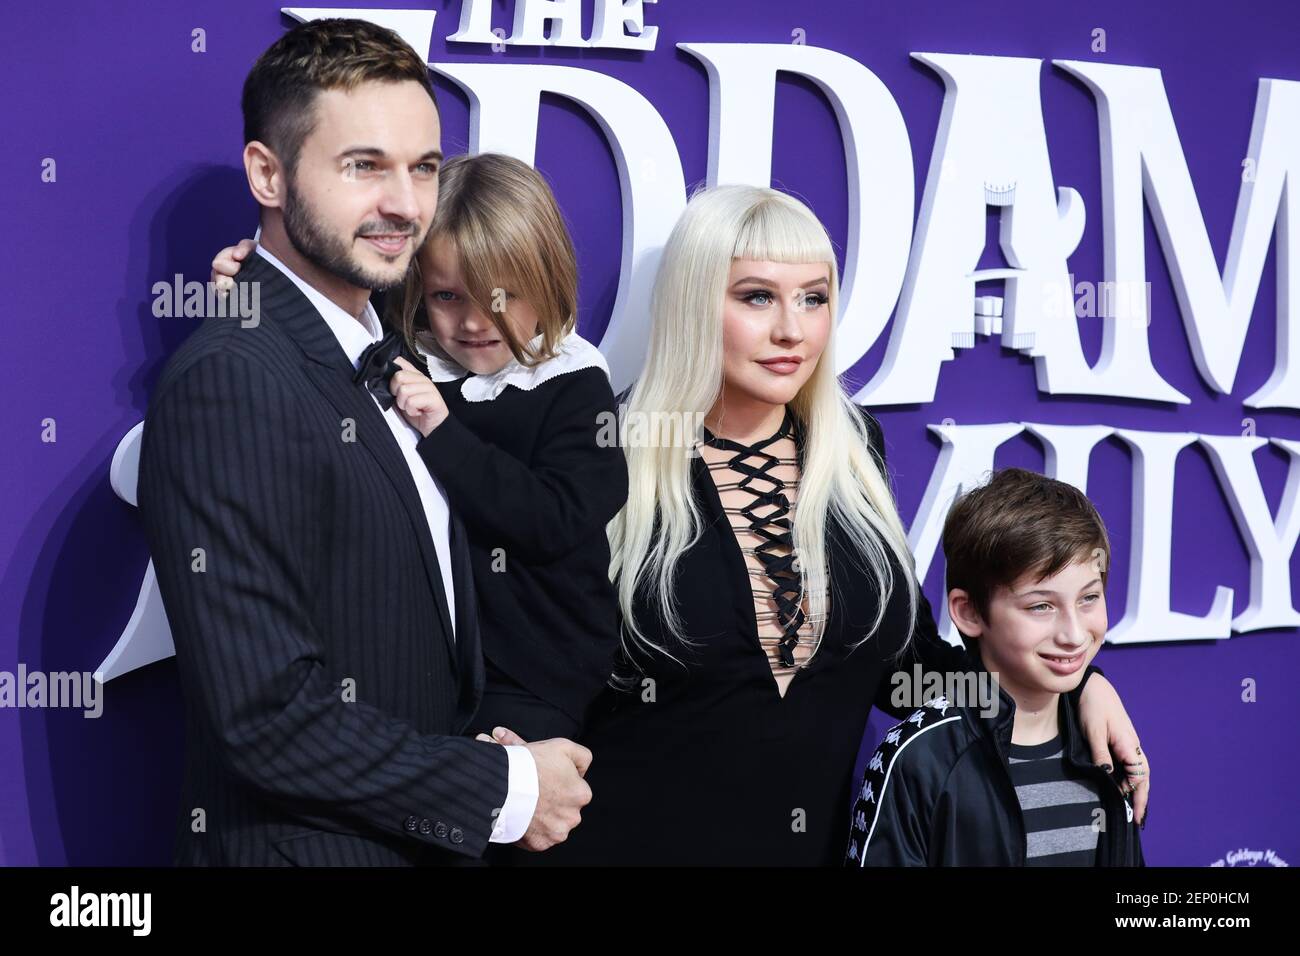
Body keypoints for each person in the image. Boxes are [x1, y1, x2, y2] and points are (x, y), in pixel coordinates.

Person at [539, 184, 1150, 866]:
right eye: (757, 296)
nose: (792, 331)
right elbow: (541, 681)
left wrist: (1074, 690)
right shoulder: (611, 450)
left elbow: (906, 675)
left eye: (814, 297)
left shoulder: (851, 448)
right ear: (692, 302)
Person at [138, 18, 589, 866]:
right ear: (267, 174)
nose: (407, 204)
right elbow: (265, 715)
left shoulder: (391, 351)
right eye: (363, 167)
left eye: (423, 167)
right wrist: (505, 790)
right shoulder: (232, 380)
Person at [212, 153, 628, 745]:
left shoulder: (574, 383)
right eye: (448, 296)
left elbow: (552, 520)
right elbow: (311, 349)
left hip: (536, 673)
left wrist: (444, 432)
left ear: (549, 281)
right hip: (416, 660)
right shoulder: (401, 349)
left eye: (503, 297)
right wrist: (252, 292)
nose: (477, 320)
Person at [846, 467, 1145, 866]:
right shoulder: (918, 759)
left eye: (1089, 598)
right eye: (1041, 606)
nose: (1073, 633)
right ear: (968, 613)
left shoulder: (1105, 745)